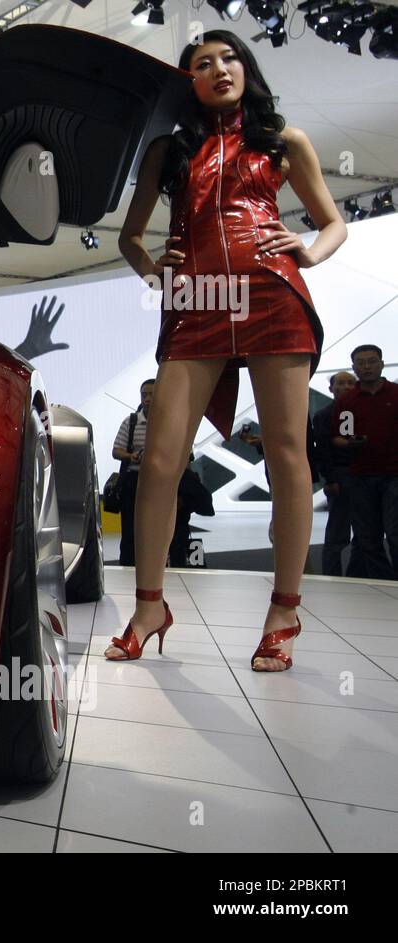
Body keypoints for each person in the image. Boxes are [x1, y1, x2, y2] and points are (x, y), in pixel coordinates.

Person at [108, 30, 346, 671]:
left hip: (273, 296)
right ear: (187, 81)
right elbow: (131, 238)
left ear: (247, 68)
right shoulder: (169, 148)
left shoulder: (284, 140)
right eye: (201, 64)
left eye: (228, 58)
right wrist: (158, 272)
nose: (218, 69)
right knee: (159, 462)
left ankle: (284, 610)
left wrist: (309, 252)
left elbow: (332, 222)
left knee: (288, 456)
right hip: (198, 301)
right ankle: (150, 604)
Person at [332, 345, 398, 580]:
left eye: (371, 361)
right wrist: (351, 443)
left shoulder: (395, 394)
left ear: (381, 363)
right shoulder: (348, 401)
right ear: (354, 367)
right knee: (367, 537)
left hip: (394, 474)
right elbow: (340, 436)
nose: (367, 367)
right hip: (361, 475)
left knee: (395, 532)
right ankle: (386, 583)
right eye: (361, 363)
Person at [311, 371, 362, 576]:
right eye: (342, 383)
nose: (347, 387)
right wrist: (330, 478)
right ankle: (332, 574)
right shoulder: (324, 415)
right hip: (341, 476)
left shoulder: (362, 412)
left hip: (364, 475)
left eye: (351, 383)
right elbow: (322, 450)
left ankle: (356, 574)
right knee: (337, 532)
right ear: (331, 388)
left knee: (364, 531)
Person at [112, 380, 153, 565]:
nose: (147, 399)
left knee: (158, 528)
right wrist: (131, 456)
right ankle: (127, 565)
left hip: (162, 483)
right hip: (133, 481)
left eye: (152, 394)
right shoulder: (131, 421)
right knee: (129, 529)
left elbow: (185, 455)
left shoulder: (172, 422)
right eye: (144, 394)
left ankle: (158, 565)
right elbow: (116, 450)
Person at [171, 454, 214, 566]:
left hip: (179, 484)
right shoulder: (189, 477)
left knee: (178, 536)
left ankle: (177, 565)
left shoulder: (188, 478)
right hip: (180, 483)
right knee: (178, 536)